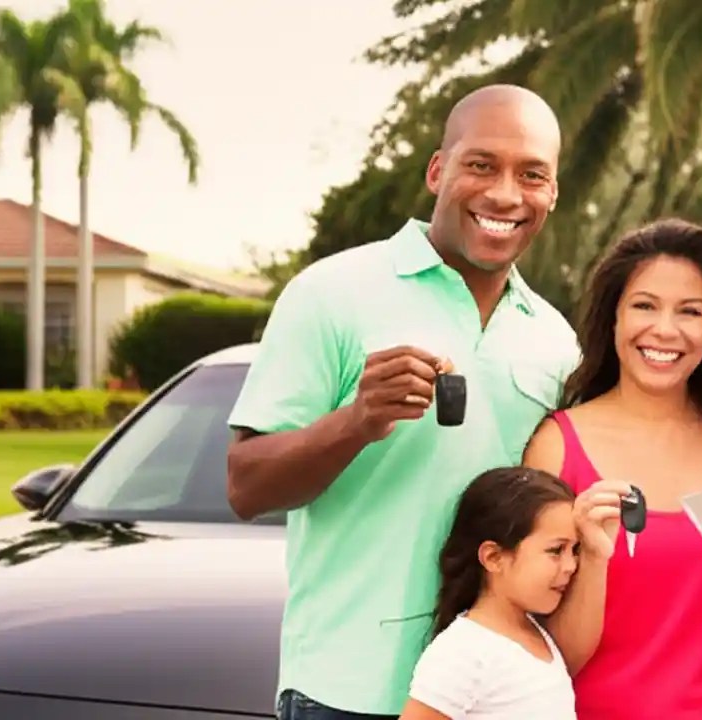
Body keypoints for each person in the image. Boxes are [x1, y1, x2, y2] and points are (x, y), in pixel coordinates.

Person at [225, 84, 580, 719]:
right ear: (438, 170)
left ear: (552, 193)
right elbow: (246, 487)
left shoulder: (554, 339)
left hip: (493, 696)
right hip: (351, 691)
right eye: (481, 165)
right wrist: (357, 421)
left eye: (532, 175)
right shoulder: (330, 294)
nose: (505, 194)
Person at [523, 218, 702, 720]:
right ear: (613, 317)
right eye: (644, 306)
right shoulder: (557, 448)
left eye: (690, 312)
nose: (665, 330)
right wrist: (591, 556)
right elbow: (549, 654)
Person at [400, 466, 579, 719]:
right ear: (494, 557)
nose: (571, 565)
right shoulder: (463, 652)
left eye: (575, 550)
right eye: (556, 550)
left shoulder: (535, 633)